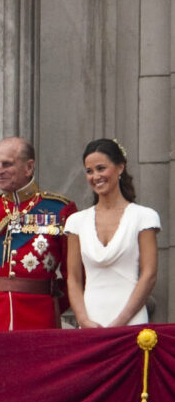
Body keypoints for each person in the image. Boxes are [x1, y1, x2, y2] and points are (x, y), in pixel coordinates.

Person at [0, 137, 76, 331]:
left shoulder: (60, 210)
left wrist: (51, 304)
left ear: (29, 167)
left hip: (39, 316)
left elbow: (73, 274)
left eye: (7, 164)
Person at [64, 139, 160, 328]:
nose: (95, 176)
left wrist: (121, 321)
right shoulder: (76, 221)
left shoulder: (144, 217)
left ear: (120, 167)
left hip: (131, 321)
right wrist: (83, 320)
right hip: (90, 322)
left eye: (101, 168)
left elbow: (149, 274)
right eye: (89, 171)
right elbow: (73, 277)